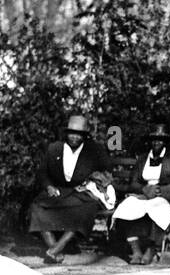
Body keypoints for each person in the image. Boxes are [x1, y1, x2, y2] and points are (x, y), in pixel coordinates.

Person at [27, 113, 110, 264]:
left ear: (85, 136)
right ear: (66, 133)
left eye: (79, 134)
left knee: (87, 208)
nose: (74, 137)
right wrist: (49, 186)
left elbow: (106, 172)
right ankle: (54, 249)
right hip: (58, 191)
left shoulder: (94, 150)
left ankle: (59, 246)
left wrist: (92, 182)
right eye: (72, 133)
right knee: (37, 207)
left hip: (81, 193)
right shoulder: (55, 148)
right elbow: (42, 172)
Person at [111, 125, 170, 265]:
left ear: (165, 142)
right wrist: (144, 189)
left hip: (165, 196)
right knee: (127, 206)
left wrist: (160, 190)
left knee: (159, 209)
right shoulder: (142, 159)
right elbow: (133, 182)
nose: (156, 143)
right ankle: (136, 250)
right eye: (153, 140)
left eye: (160, 140)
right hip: (144, 194)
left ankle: (151, 249)